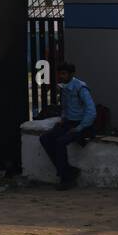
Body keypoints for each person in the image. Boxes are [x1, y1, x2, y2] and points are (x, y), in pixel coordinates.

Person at [40, 62, 94, 190]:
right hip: (68, 123)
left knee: (60, 142)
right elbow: (65, 106)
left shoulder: (81, 88)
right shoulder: (64, 88)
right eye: (60, 73)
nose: (61, 76)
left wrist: (80, 127)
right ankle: (67, 171)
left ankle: (66, 178)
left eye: (64, 74)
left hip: (81, 125)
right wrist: (63, 119)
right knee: (45, 139)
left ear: (71, 74)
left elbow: (91, 110)